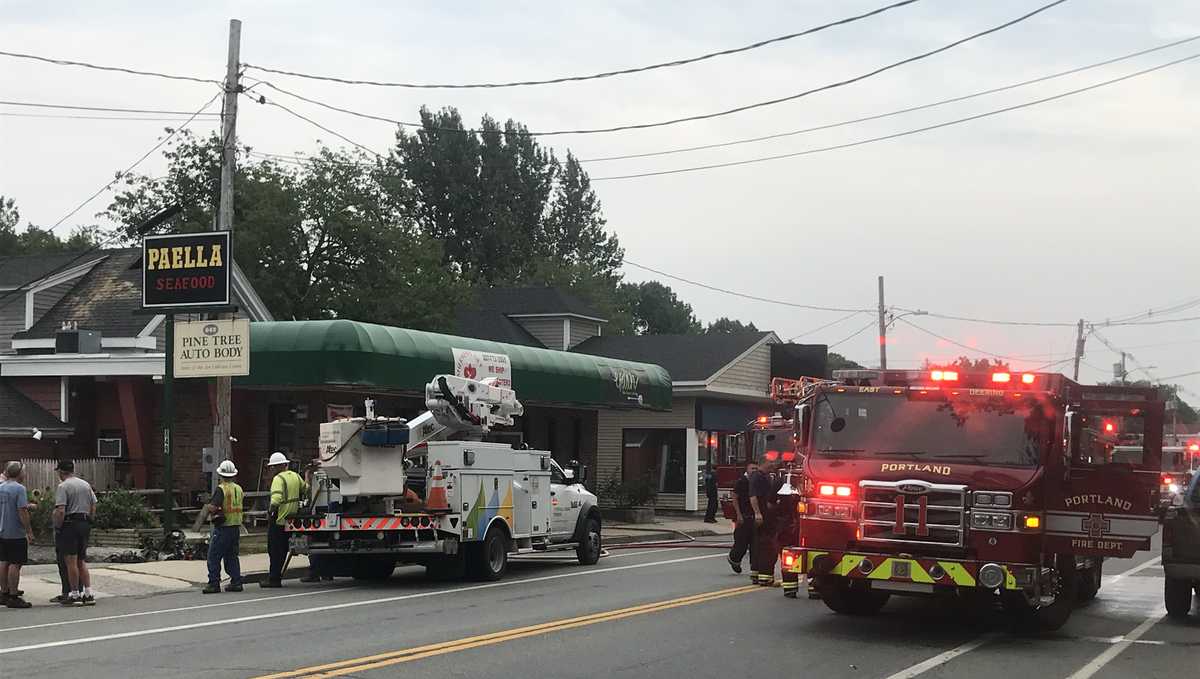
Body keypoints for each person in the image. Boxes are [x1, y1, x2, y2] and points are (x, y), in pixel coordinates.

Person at [53, 460, 97, 606]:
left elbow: (61, 510)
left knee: (70, 560)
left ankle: (75, 594)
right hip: (84, 523)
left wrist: (58, 526)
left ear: (61, 472)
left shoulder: (63, 486)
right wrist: (90, 520)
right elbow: (93, 504)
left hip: (70, 524)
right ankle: (88, 593)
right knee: (81, 560)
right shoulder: (85, 484)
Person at [262, 452, 308, 588]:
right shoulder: (295, 476)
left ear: (277, 467)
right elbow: (306, 489)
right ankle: (316, 572)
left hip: (280, 519)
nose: (271, 469)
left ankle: (274, 578)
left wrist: (270, 512)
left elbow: (276, 500)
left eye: (272, 467)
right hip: (293, 517)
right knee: (288, 548)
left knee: (275, 550)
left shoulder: (278, 479)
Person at [204, 460, 244, 594]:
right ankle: (236, 582)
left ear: (220, 474)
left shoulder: (221, 489)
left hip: (223, 527)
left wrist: (208, 506)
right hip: (236, 527)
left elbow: (214, 506)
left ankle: (214, 583)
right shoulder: (238, 488)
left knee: (213, 556)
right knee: (232, 555)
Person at [0, 462, 34, 608]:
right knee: (15, 563)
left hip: (2, 530)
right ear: (19, 473)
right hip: (15, 532)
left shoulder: (1, 487)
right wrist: (29, 531)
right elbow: (22, 511)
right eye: (24, 472)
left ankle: (4, 592)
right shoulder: (19, 489)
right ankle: (14, 596)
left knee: (3, 561)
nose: (25, 474)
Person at [748, 455, 780, 587]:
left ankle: (756, 574)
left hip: (766, 515)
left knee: (758, 545)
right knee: (768, 547)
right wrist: (757, 513)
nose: (773, 464)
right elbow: (753, 496)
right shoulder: (757, 477)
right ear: (764, 463)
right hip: (763, 516)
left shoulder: (765, 476)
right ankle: (766, 578)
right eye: (770, 462)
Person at [727, 461, 756, 575]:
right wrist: (738, 514)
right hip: (743, 515)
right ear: (747, 470)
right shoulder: (741, 482)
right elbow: (734, 497)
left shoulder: (756, 481)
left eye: (756, 469)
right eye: (752, 469)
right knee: (741, 543)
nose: (754, 471)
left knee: (755, 544)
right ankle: (734, 559)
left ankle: (755, 568)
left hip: (754, 516)